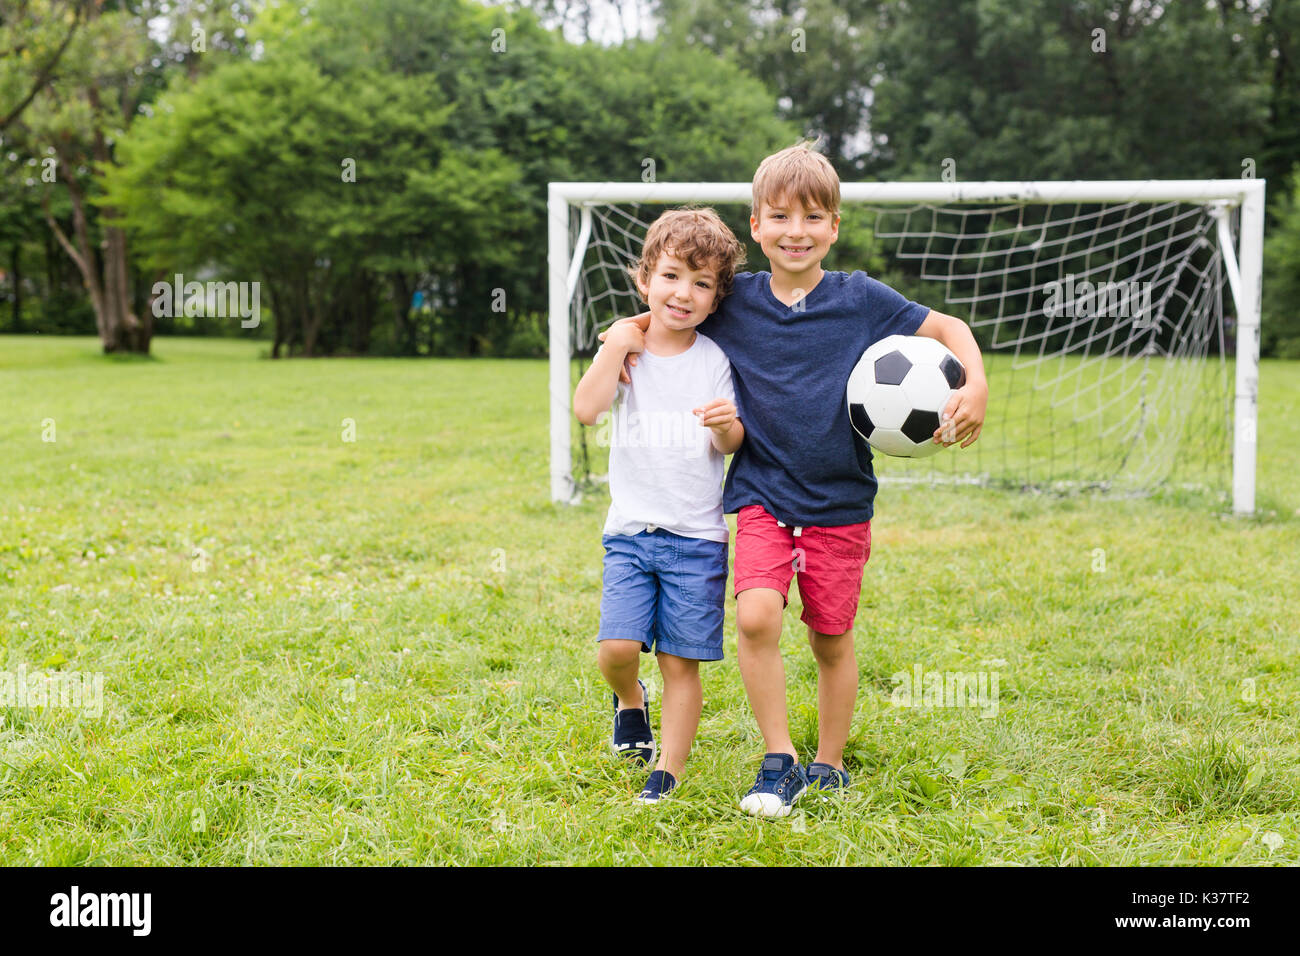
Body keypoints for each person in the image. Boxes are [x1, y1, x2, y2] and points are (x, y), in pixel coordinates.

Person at [601, 143, 988, 816]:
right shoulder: (736, 301)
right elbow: (668, 310)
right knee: (755, 617)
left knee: (830, 637)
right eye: (779, 216)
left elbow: (949, 327)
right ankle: (777, 755)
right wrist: (622, 333)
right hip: (762, 495)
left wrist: (975, 382)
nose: (796, 231)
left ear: (834, 226)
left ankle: (829, 761)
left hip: (839, 502)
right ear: (756, 226)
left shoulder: (861, 299)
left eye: (813, 217)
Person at [573, 207, 747, 803]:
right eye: (672, 276)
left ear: (717, 297)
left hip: (697, 538)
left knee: (680, 663)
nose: (684, 293)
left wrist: (727, 428)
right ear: (645, 276)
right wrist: (615, 344)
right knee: (616, 650)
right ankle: (629, 700)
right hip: (629, 530)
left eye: (702, 284)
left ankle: (666, 772)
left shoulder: (715, 360)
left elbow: (731, 443)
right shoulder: (629, 348)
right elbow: (587, 410)